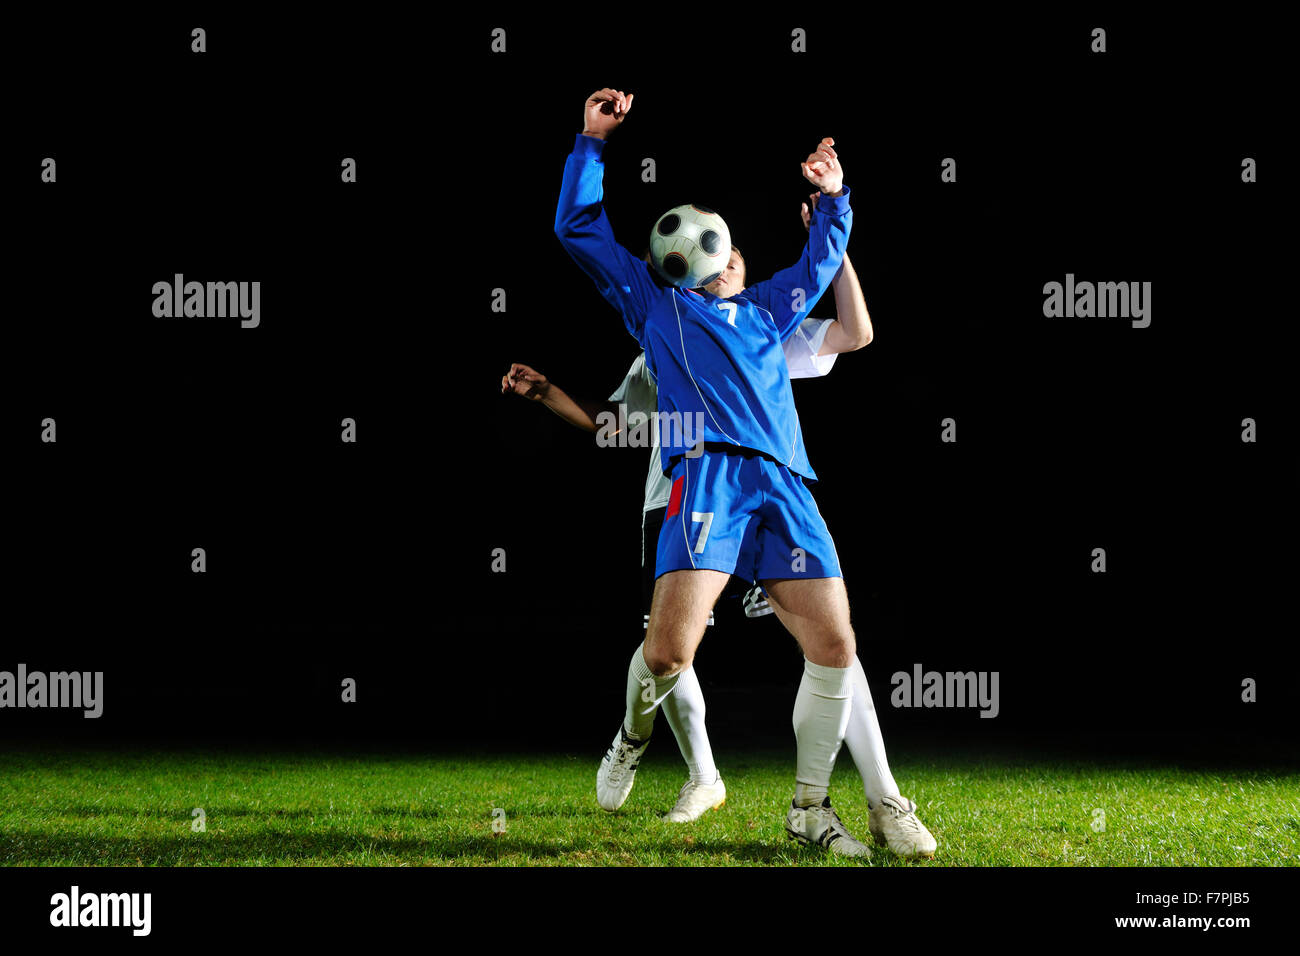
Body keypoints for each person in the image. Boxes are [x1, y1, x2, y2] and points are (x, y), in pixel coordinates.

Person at [552, 87, 935, 858]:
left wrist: (832, 197)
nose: (716, 254)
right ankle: (631, 737)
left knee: (835, 646)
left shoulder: (769, 313)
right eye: (703, 248)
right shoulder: (658, 309)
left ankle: (807, 808)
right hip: (708, 482)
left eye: (726, 247)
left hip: (787, 487)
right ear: (678, 262)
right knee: (667, 655)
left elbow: (824, 262)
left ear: (735, 257)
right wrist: (592, 144)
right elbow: (580, 230)